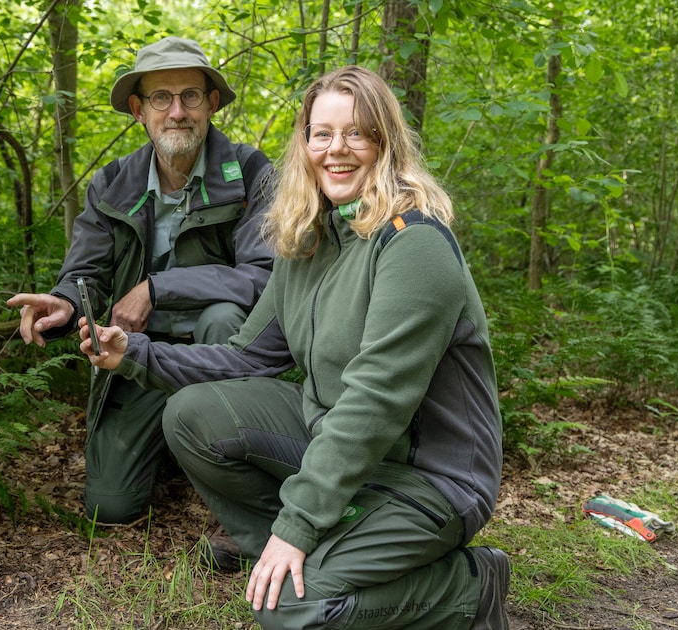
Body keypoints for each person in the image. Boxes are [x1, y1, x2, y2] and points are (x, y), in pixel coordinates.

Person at [77, 65, 509, 629]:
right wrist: (135, 354)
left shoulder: (414, 243)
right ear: (305, 145)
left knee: (288, 609)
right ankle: (283, 557)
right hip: (338, 445)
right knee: (192, 414)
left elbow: (375, 402)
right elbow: (246, 356)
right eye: (321, 134)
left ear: (385, 143)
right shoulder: (308, 241)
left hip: (429, 477)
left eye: (356, 133)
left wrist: (297, 525)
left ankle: (469, 586)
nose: (337, 149)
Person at [6, 37, 275, 532]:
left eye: (191, 96)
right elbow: (85, 272)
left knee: (223, 316)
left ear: (212, 103)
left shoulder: (251, 173)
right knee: (110, 506)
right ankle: (173, 441)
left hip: (220, 352)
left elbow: (263, 277)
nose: (177, 111)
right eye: (161, 98)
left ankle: (236, 474)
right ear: (138, 110)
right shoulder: (113, 183)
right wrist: (64, 303)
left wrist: (155, 288)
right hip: (138, 350)